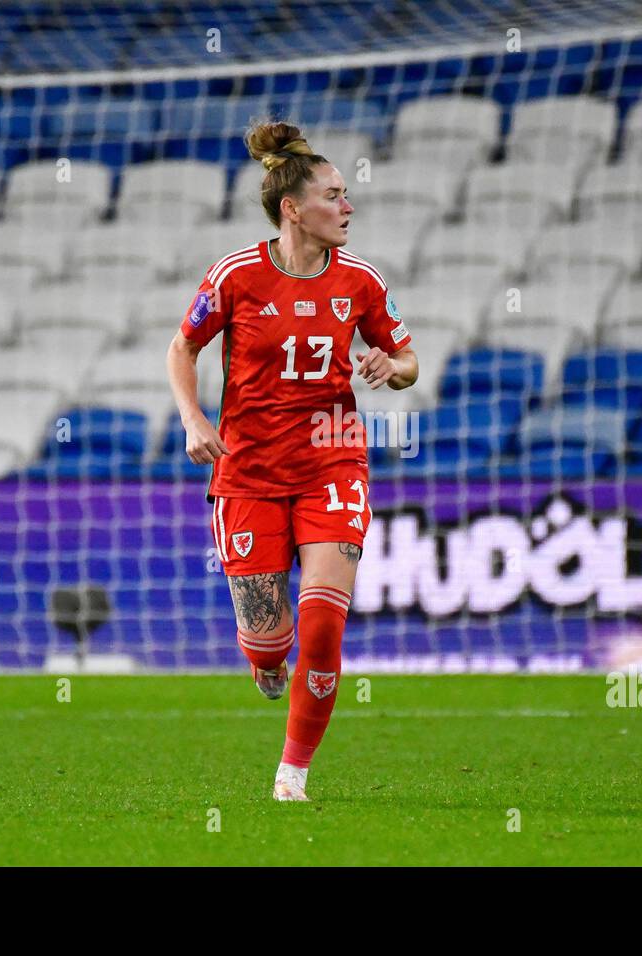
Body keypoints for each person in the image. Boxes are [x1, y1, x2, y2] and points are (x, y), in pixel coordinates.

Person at [165, 120, 419, 801]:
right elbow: (183, 348)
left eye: (347, 195)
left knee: (324, 622)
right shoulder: (236, 276)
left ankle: (292, 776)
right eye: (335, 195)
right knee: (270, 641)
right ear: (293, 209)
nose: (348, 207)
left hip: (332, 462)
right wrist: (193, 418)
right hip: (246, 470)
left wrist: (387, 364)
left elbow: (409, 361)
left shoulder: (361, 281)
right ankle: (266, 658)